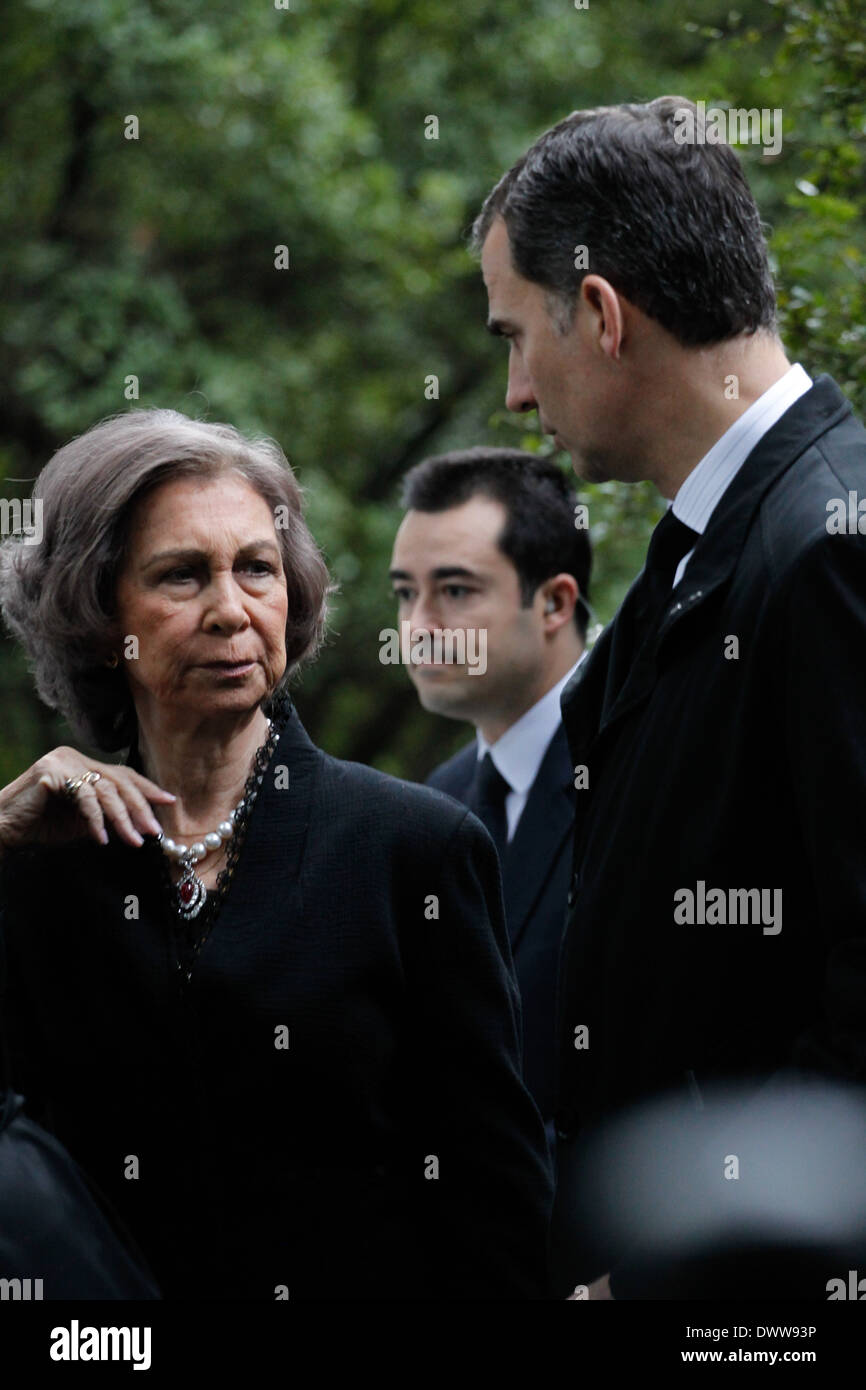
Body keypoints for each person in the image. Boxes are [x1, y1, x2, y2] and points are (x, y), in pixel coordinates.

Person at [0, 408, 553, 1300]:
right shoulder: (40, 863)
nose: (231, 610)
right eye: (182, 575)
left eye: (256, 568)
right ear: (98, 615)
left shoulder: (413, 848)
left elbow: (497, 1208)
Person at [471, 95, 866, 1298]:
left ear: (599, 314)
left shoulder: (826, 550)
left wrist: (670, 1279)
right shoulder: (705, 550)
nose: (514, 393)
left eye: (512, 337)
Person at [390, 447, 591, 1138]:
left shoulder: (645, 763)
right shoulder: (437, 801)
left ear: (554, 603)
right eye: (405, 593)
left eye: (454, 591)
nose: (418, 627)